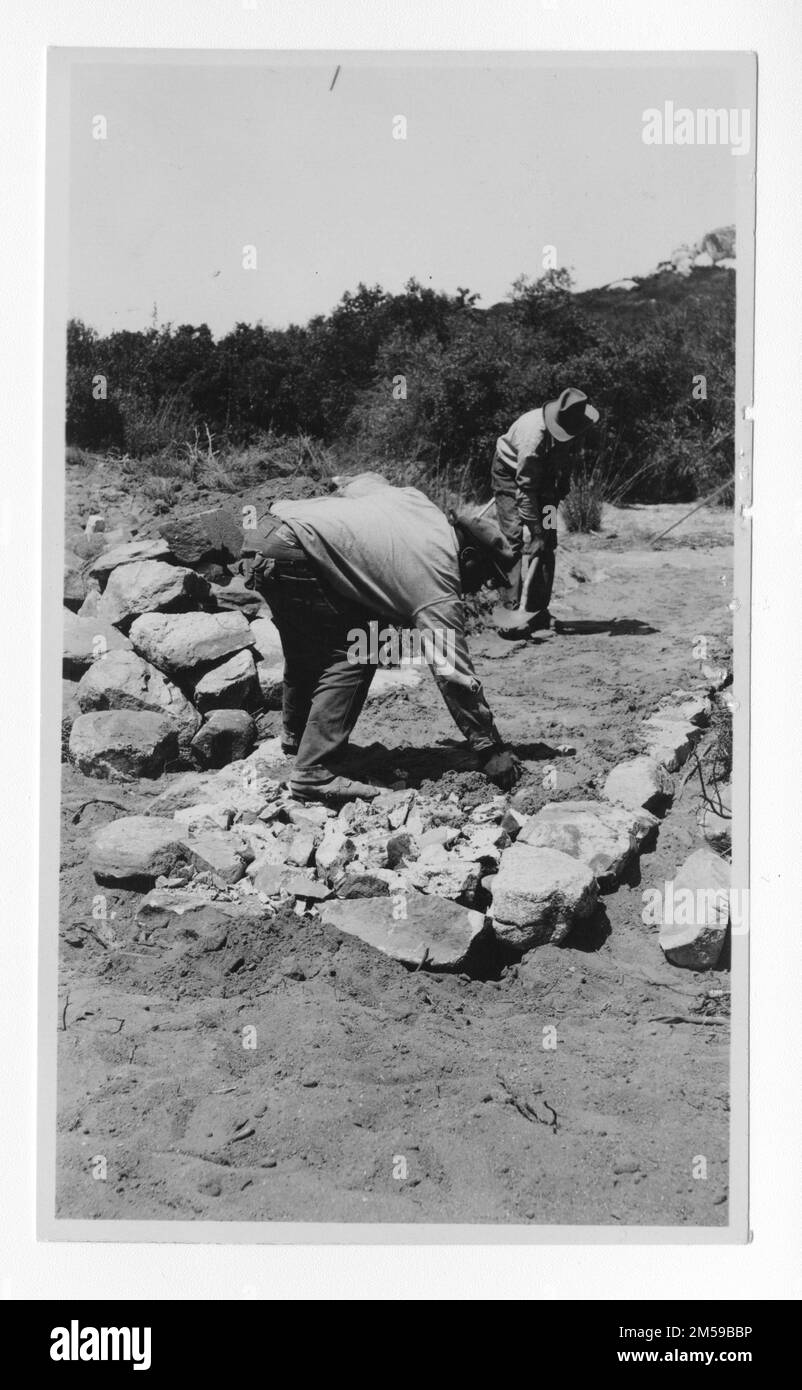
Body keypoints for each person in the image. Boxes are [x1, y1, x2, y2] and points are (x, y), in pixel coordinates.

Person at [239, 478, 521, 804]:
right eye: (483, 577)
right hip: (297, 552)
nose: (476, 589)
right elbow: (450, 667)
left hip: (265, 535)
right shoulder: (438, 570)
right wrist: (488, 745)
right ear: (469, 555)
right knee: (362, 648)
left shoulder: (416, 502)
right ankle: (314, 772)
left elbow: (362, 482)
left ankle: (297, 739)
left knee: (308, 648)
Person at [492, 386, 599, 623]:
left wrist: (561, 487)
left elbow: (568, 458)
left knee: (548, 541)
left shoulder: (575, 427)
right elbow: (525, 493)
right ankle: (511, 611)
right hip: (511, 475)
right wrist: (536, 531)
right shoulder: (534, 439)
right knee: (513, 539)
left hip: (547, 480)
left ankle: (538, 610)